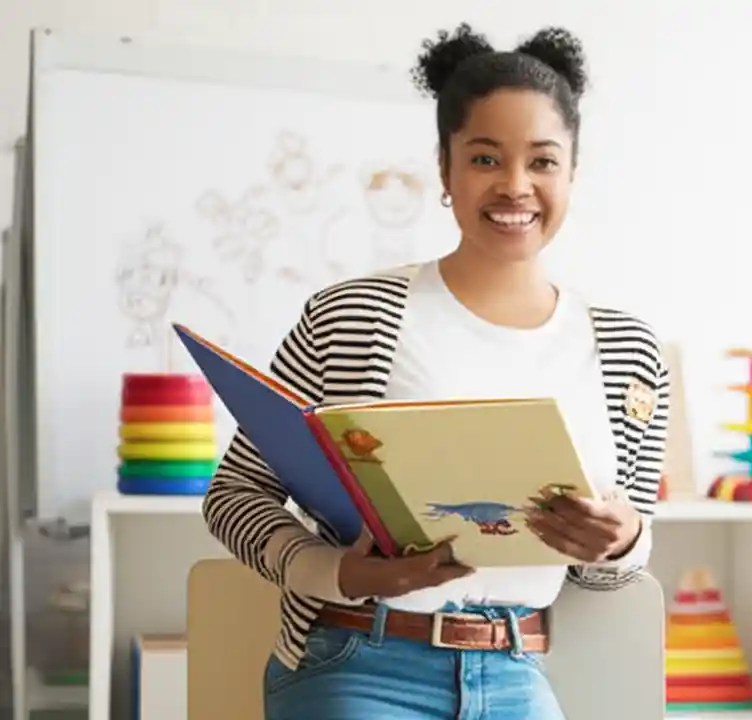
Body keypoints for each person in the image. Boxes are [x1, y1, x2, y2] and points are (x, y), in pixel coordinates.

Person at [202, 23, 669, 720]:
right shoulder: (350, 316)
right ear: (445, 170)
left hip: (516, 671)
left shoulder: (630, 352)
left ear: (572, 171)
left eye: (542, 161)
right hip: (358, 660)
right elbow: (234, 496)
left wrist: (624, 539)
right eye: (485, 158)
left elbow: (608, 572)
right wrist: (339, 574)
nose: (516, 186)